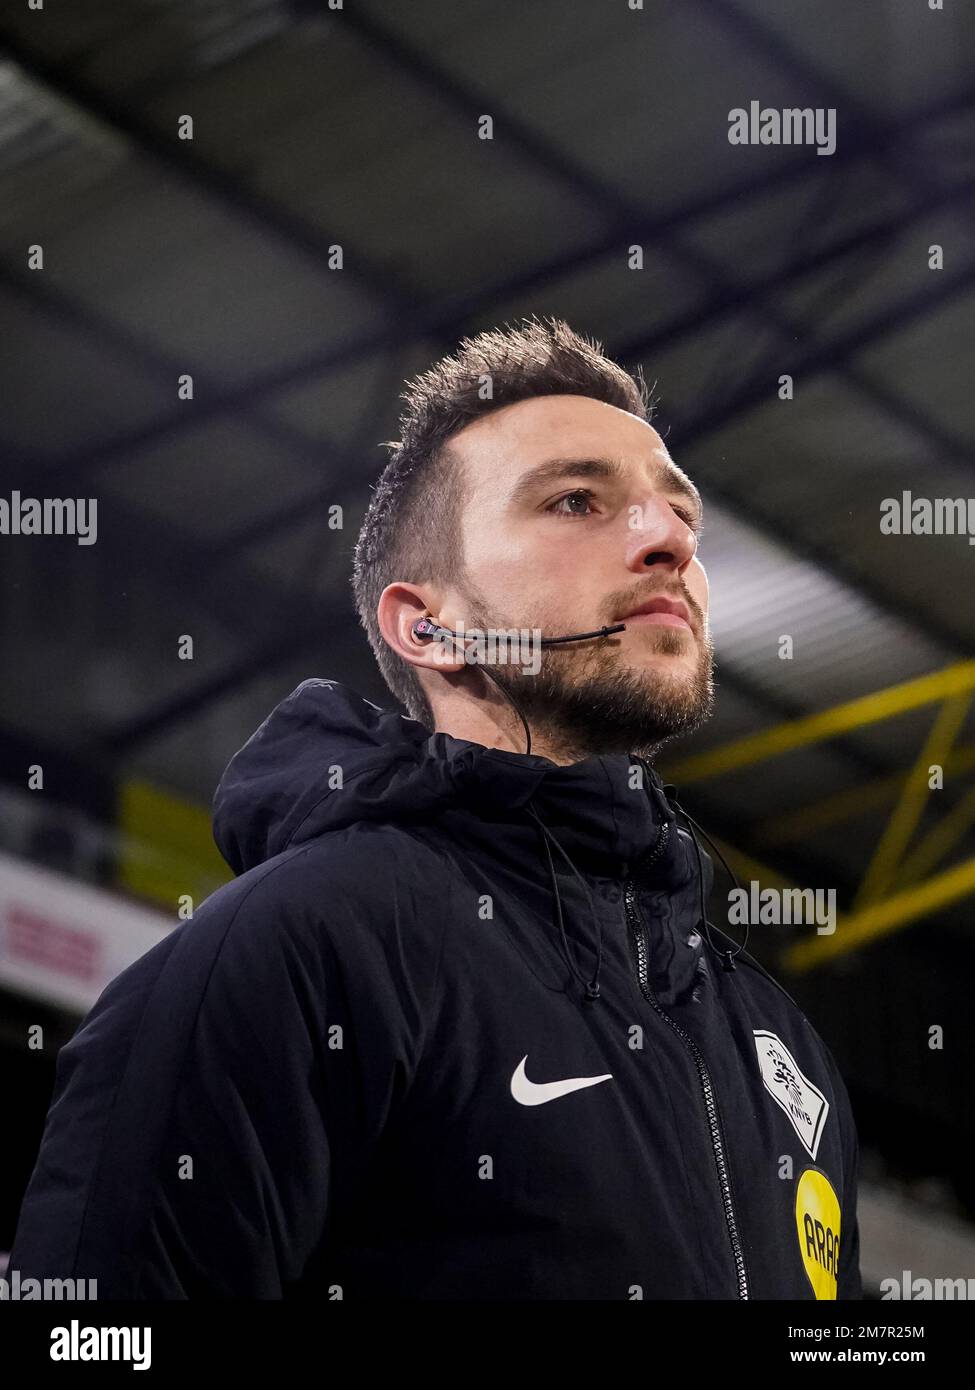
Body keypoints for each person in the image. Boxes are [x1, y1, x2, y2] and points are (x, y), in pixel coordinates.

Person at [9, 317, 861, 1299]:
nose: (668, 541)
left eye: (679, 516)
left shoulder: (780, 1048)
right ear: (429, 626)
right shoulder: (299, 948)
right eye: (576, 501)